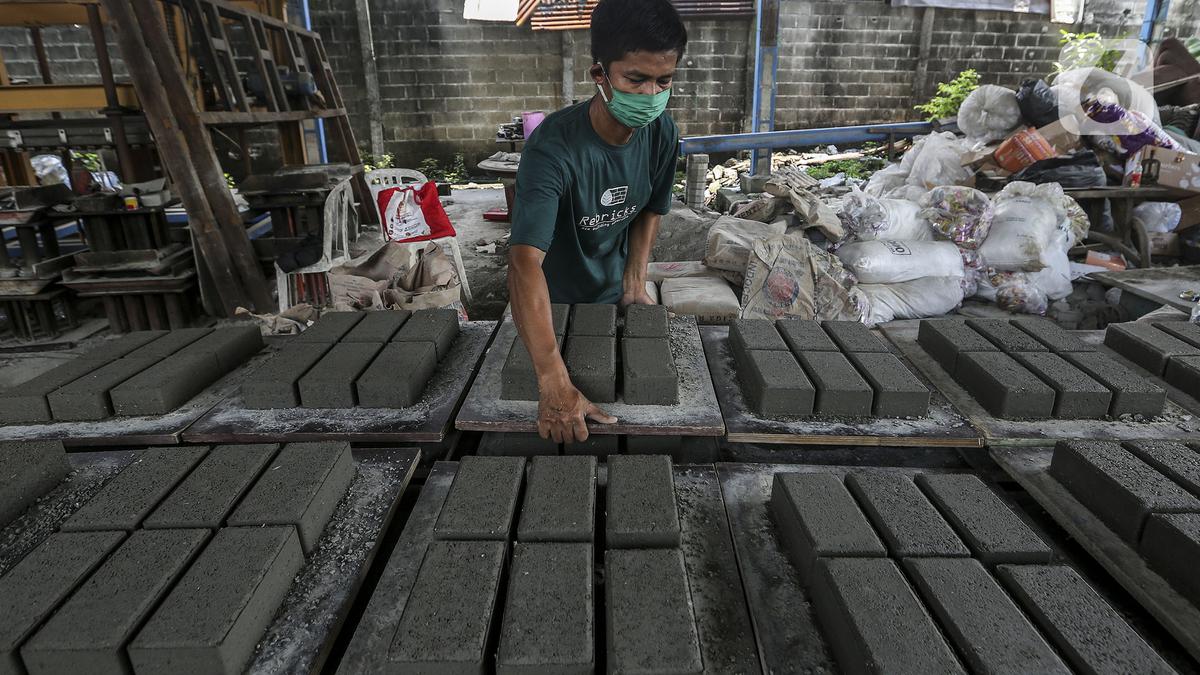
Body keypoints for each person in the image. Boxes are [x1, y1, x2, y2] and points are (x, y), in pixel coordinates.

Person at [506, 0, 685, 444]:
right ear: (599, 74)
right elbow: (524, 262)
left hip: (609, 296)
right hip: (548, 306)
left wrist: (634, 283)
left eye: (664, 81)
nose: (650, 95)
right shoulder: (552, 149)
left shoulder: (662, 133)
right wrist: (551, 378)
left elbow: (651, 208)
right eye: (635, 80)